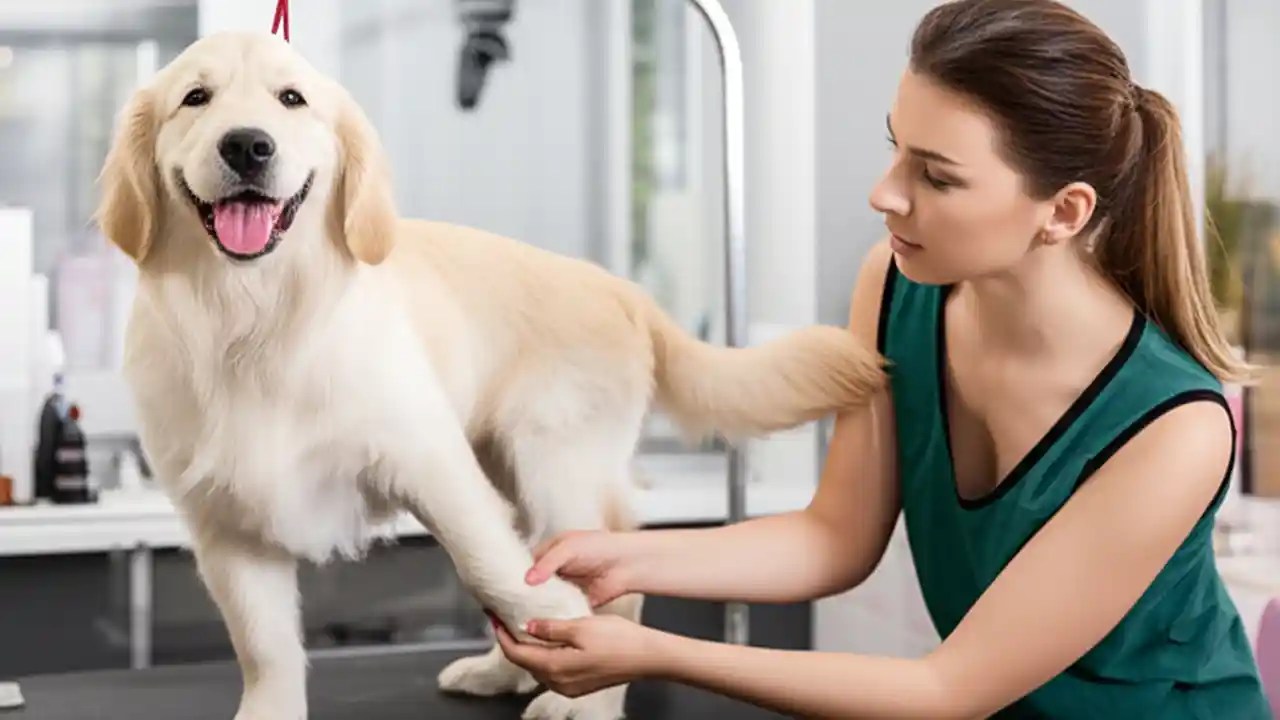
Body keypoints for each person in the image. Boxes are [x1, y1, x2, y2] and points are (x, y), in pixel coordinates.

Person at [493, 0, 1274, 717]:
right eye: (897, 149)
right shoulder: (897, 287)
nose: (884, 193)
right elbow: (835, 537)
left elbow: (947, 689)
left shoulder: (1173, 429)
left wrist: (657, 652)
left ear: (1063, 212)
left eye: (936, 176)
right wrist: (625, 558)